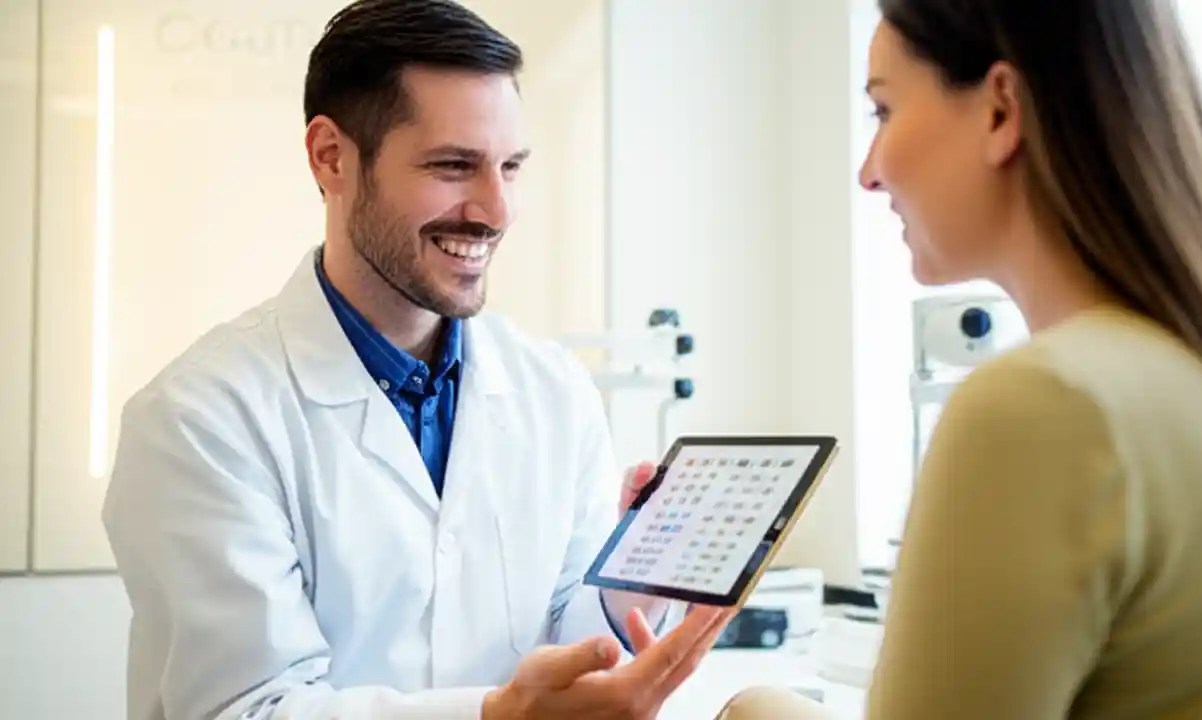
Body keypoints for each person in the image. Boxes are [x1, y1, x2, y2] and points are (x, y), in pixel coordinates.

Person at [102, 1, 733, 718]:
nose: (496, 209)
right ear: (331, 157)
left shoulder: (553, 391)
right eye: (454, 166)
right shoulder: (197, 421)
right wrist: (497, 716)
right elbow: (247, 709)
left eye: (511, 167)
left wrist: (631, 583)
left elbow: (560, 633)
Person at [719, 0, 1202, 718]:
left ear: (999, 110)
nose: (868, 172)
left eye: (883, 113)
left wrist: (757, 709)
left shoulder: (1046, 406)